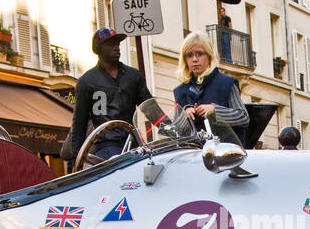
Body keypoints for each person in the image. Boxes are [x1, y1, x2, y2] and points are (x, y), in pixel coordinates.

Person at [67, 28, 152, 163]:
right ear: (99, 49)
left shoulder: (133, 76)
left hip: (132, 142)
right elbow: (79, 124)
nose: (117, 48)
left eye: (117, 44)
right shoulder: (87, 81)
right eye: (111, 44)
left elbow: (150, 108)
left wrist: (172, 129)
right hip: (106, 146)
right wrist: (75, 162)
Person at [173, 31, 250, 147]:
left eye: (199, 54)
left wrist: (214, 110)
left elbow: (243, 117)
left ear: (209, 56)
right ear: (184, 60)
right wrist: (185, 117)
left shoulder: (226, 83)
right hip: (195, 158)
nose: (194, 59)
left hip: (226, 157)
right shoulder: (180, 91)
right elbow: (177, 133)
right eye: (189, 55)